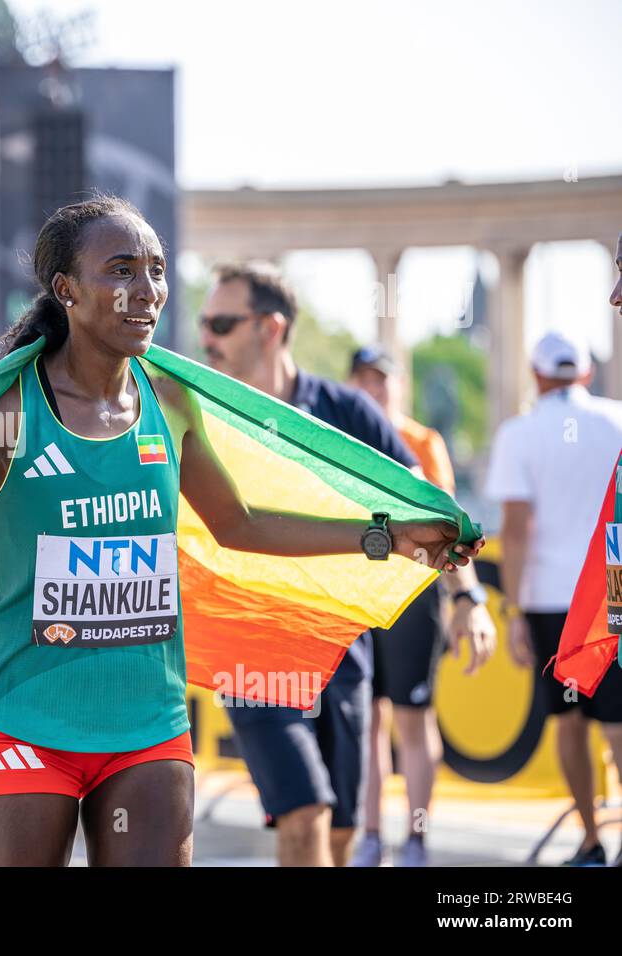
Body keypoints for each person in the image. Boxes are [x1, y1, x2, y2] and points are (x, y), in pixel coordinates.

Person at [0, 198, 480, 867]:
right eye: (121, 271)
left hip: (148, 731)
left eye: (157, 270)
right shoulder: (8, 410)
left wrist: (387, 534)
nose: (147, 292)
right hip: (21, 728)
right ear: (67, 291)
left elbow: (239, 523)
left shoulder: (171, 402)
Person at [198, 262, 489, 867]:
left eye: (221, 323)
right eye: (205, 324)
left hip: (338, 649)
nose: (206, 339)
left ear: (270, 328)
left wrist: (469, 598)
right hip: (253, 653)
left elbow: (424, 508)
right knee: (304, 814)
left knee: (339, 832)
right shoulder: (203, 414)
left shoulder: (347, 413)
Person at [347, 346, 496, 867]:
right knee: (365, 719)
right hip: (355, 590)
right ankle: (369, 834)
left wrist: (468, 597)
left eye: (383, 378)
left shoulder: (421, 442)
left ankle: (415, 837)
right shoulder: (340, 435)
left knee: (411, 717)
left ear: (399, 385)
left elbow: (451, 527)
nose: (374, 388)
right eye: (364, 379)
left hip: (412, 594)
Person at [487, 328, 622, 867]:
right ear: (586, 373)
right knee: (617, 722)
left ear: (536, 375)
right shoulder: (616, 420)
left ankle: (591, 840)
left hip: (548, 597)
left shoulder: (519, 433)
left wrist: (514, 609)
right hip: (612, 586)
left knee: (568, 720)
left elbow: (515, 529)